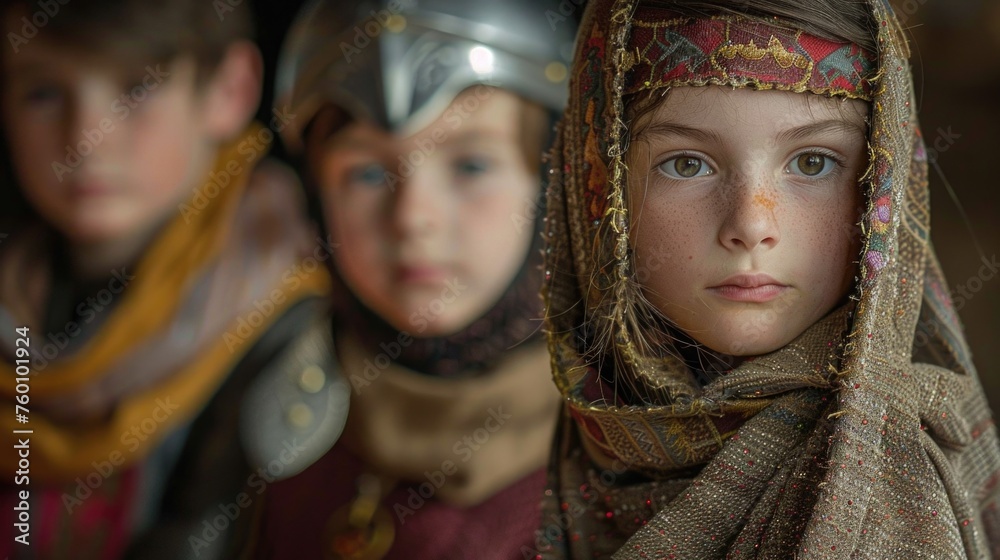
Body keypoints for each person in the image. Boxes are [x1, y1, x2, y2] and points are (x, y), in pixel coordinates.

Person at [535, 0, 1000, 558]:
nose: (751, 226)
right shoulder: (597, 430)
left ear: (883, 182)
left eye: (813, 163)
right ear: (598, 183)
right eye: (687, 163)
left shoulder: (882, 491)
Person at [232, 0, 577, 558]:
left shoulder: (645, 454)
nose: (412, 218)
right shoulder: (248, 406)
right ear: (318, 197)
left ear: (553, 184)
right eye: (367, 173)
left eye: (471, 165)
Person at [0, 1, 330, 558]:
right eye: (44, 94)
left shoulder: (286, 318)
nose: (86, 139)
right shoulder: (20, 286)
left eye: (135, 90)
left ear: (229, 89)